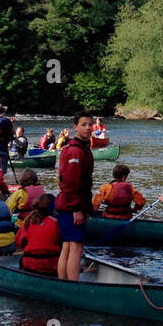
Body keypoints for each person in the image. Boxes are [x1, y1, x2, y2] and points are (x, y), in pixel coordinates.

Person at [55, 112, 96, 281]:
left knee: (67, 245)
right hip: (71, 206)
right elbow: (69, 182)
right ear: (75, 128)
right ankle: (73, 284)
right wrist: (76, 209)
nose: (88, 128)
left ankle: (64, 282)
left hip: (71, 205)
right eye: (84, 124)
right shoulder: (74, 151)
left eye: (90, 124)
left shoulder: (82, 149)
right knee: (76, 247)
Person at [16, 194, 62, 276]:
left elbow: (19, 242)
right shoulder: (57, 222)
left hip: (30, 264)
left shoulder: (27, 222)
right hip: (52, 266)